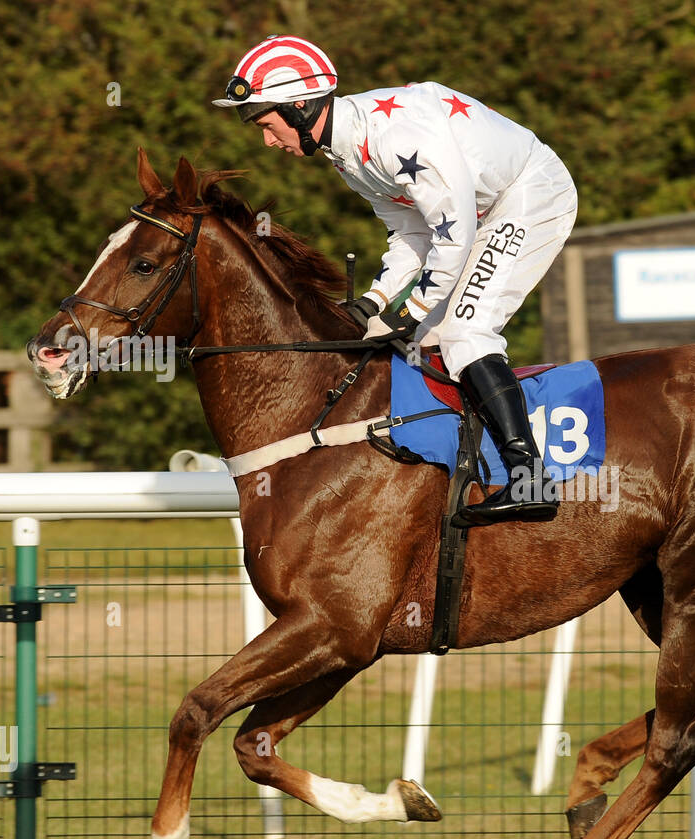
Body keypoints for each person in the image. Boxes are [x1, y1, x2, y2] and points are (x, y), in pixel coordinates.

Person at [213, 34, 578, 525]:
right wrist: (374, 300)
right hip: (478, 213)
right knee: (425, 344)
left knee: (467, 334)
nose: (267, 139)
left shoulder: (393, 137)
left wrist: (406, 312)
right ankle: (461, 469)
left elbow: (454, 232)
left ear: (299, 105)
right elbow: (411, 232)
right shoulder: (346, 155)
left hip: (528, 194)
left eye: (267, 122)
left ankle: (529, 478)